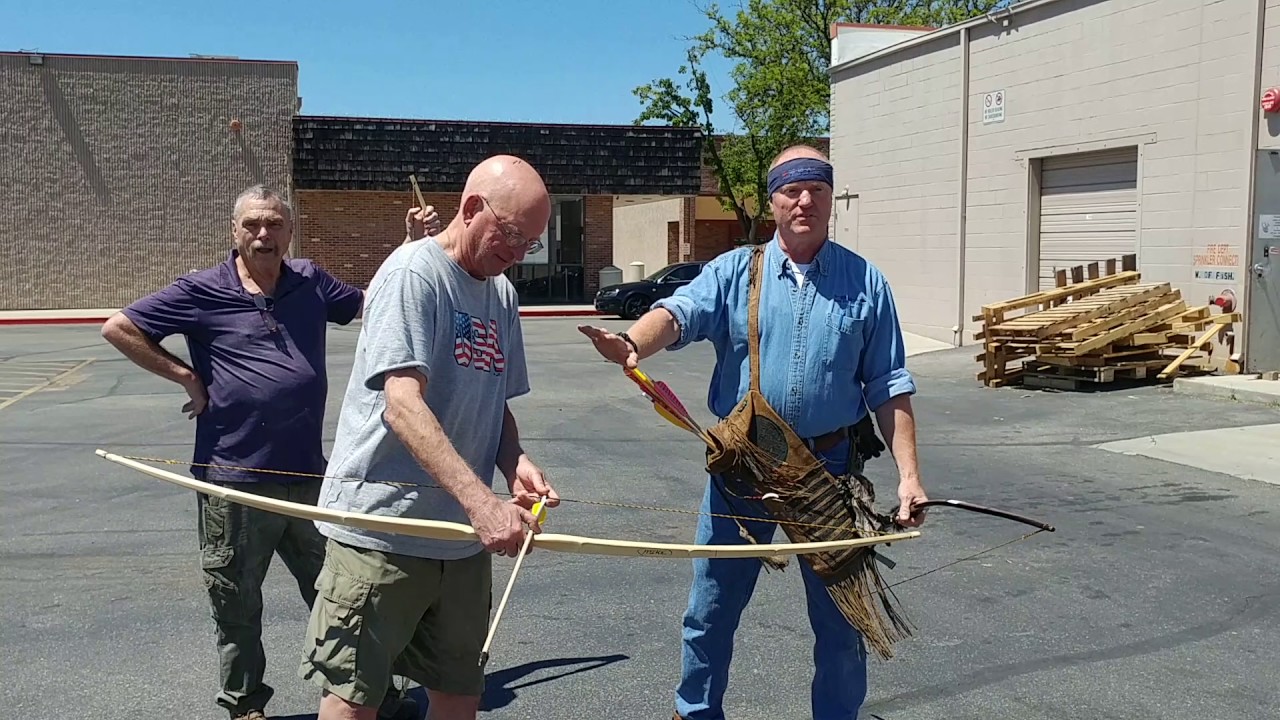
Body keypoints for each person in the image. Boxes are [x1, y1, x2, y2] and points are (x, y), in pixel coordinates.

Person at [577, 145, 929, 720]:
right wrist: (634, 343)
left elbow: (889, 385)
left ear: (830, 197)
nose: (805, 200)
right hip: (742, 471)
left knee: (843, 625)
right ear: (773, 200)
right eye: (792, 189)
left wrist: (910, 476)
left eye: (816, 188)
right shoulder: (735, 271)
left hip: (827, 476)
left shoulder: (867, 283)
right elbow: (680, 311)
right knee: (710, 611)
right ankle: (695, 713)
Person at [100, 185, 427, 720]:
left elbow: (378, 304)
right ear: (235, 231)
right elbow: (120, 327)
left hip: (308, 481)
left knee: (342, 597)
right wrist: (187, 377)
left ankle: (370, 693)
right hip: (231, 482)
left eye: (274, 224)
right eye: (252, 224)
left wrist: (410, 245)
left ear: (288, 230)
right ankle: (245, 705)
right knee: (235, 602)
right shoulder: (202, 290)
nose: (263, 234)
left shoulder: (311, 283)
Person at [299, 154, 560, 720]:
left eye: (531, 244)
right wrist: (482, 504)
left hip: (461, 541)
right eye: (513, 236)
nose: (518, 254)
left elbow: (495, 403)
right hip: (383, 531)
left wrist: (515, 462)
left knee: (460, 695)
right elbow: (402, 405)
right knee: (354, 697)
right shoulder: (413, 274)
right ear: (471, 209)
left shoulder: (502, 295)